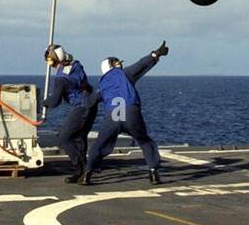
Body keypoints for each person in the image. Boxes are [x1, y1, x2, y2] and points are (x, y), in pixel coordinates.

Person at [80, 40, 170, 185]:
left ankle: (87, 174)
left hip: (113, 116)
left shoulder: (102, 84)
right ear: (111, 65)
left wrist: (83, 91)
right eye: (116, 62)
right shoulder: (124, 74)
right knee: (145, 141)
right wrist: (156, 54)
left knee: (99, 144)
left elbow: (89, 102)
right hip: (131, 112)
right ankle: (153, 173)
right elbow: (141, 65)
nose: (119, 64)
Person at [43, 44, 96, 183]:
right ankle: (84, 172)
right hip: (91, 104)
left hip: (81, 106)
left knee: (64, 138)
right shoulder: (76, 65)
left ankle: (80, 167)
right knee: (79, 137)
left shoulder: (61, 78)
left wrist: (44, 102)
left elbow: (55, 102)